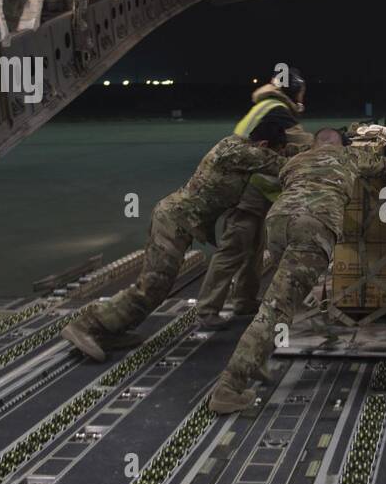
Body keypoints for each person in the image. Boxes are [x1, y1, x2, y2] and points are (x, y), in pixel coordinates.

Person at [206, 129, 386, 413]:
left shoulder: (294, 161)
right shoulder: (348, 155)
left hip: (277, 222)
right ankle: (229, 387)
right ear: (341, 144)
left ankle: (257, 359)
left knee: (282, 299)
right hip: (313, 224)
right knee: (277, 307)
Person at [60, 122, 288, 362]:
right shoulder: (237, 151)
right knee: (154, 284)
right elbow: (283, 165)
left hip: (179, 222)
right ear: (263, 145)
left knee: (157, 286)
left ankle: (112, 330)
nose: (275, 155)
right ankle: (88, 325)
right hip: (172, 221)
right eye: (275, 150)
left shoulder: (239, 149)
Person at [196, 70, 313, 329]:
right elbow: (301, 144)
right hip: (249, 189)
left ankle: (244, 301)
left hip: (254, 187)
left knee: (254, 249)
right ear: (294, 91)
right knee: (234, 248)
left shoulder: (270, 106)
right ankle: (206, 310)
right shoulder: (277, 110)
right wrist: (334, 143)